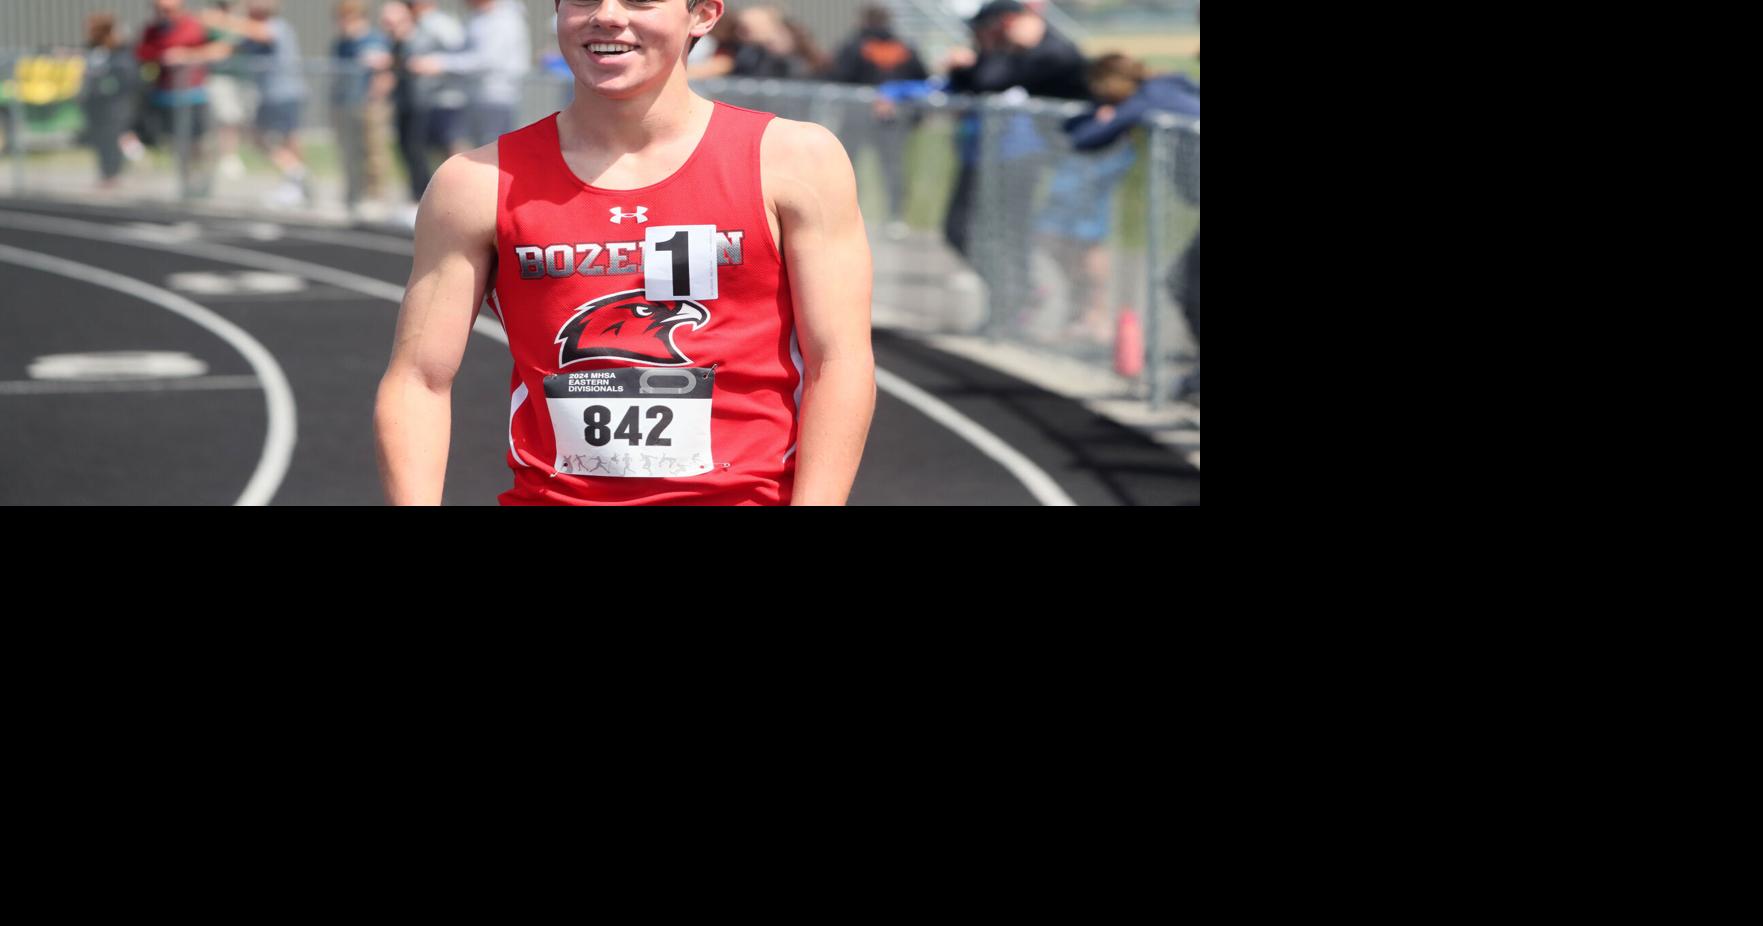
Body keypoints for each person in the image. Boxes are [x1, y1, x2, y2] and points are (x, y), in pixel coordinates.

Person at [375, 0, 875, 506]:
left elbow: (838, 361)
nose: (608, 15)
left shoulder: (795, 161)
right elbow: (419, 377)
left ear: (703, 14)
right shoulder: (475, 183)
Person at [941, 0, 1089, 321]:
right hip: (987, 155)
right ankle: (1012, 294)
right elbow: (970, 84)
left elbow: (991, 81)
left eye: (987, 29)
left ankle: (1015, 300)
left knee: (1012, 233)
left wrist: (992, 53)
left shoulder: (1051, 52)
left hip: (1023, 156)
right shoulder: (1005, 52)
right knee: (960, 229)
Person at [826, 4, 929, 239]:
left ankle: (868, 215)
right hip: (885, 121)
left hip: (871, 119)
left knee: (853, 167)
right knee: (888, 168)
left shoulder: (855, 46)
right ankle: (893, 216)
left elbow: (837, 75)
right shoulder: (903, 47)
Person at [202, 0, 311, 208]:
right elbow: (227, 49)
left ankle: (296, 180)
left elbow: (261, 33)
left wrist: (223, 20)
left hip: (285, 93)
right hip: (267, 96)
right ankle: (295, 174)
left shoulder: (277, 26)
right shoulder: (250, 31)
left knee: (288, 139)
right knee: (258, 138)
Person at [134, 0, 230, 195]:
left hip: (194, 94)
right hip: (166, 95)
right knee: (178, 143)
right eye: (159, 10)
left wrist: (187, 56)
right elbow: (141, 54)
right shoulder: (153, 30)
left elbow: (222, 49)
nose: (164, 14)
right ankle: (186, 182)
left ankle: (203, 181)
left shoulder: (195, 26)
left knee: (200, 142)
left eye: (168, 10)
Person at [408, 0, 531, 150]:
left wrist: (441, 63)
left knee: (492, 155)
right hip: (479, 96)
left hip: (495, 98)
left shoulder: (503, 19)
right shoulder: (480, 17)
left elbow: (486, 60)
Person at [331, 0, 392, 217]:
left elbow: (385, 72)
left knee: (373, 153)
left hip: (368, 104)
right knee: (349, 152)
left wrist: (375, 97)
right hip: (344, 103)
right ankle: (352, 196)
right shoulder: (341, 43)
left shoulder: (373, 40)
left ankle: (375, 197)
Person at [80, 13, 140, 189]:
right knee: (101, 140)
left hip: (115, 105)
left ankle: (115, 174)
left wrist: (106, 83)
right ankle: (106, 173)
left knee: (115, 138)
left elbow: (127, 77)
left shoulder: (120, 51)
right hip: (96, 105)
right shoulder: (93, 51)